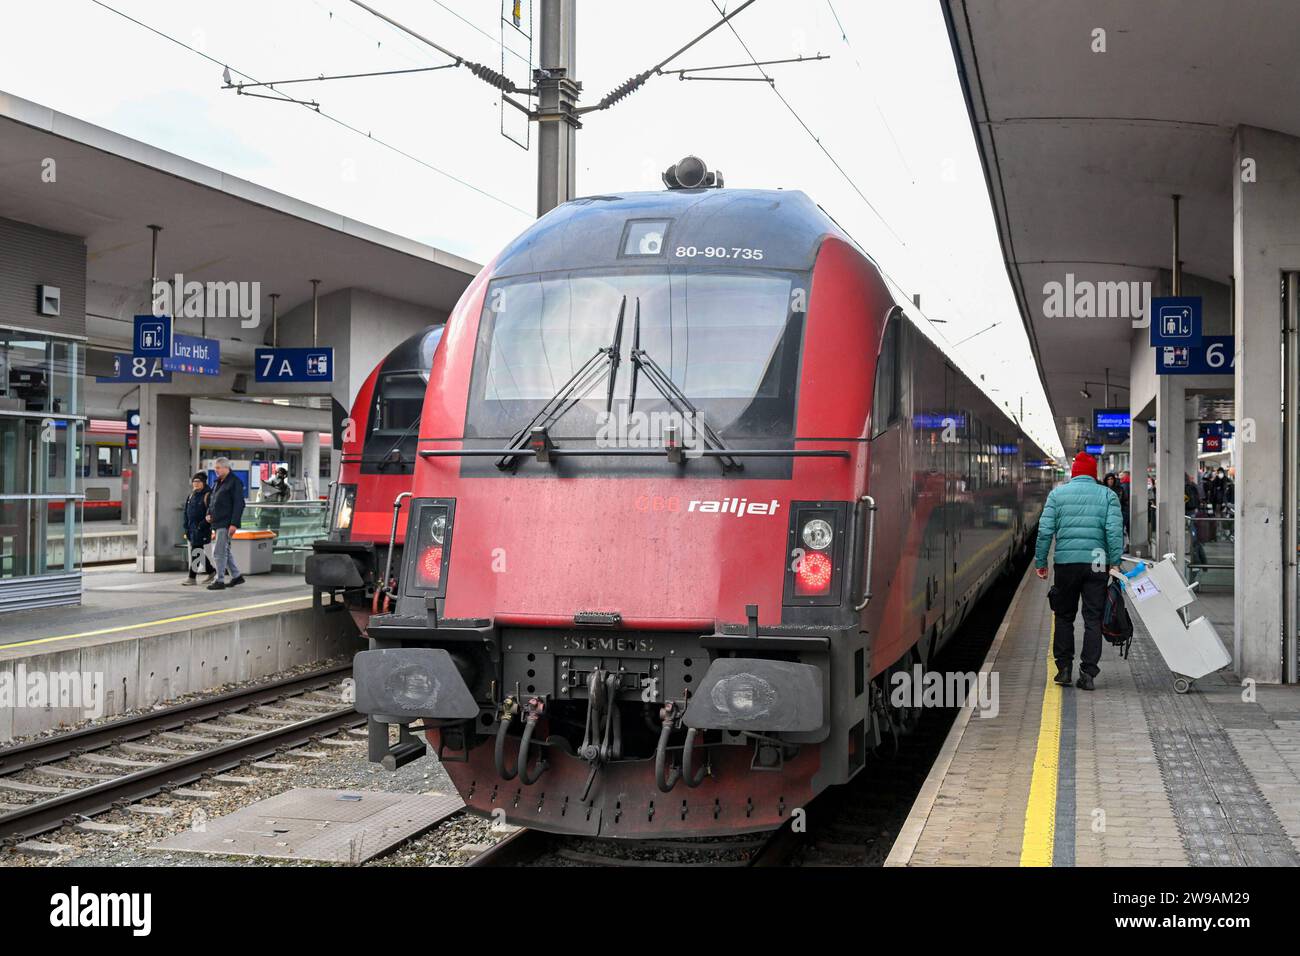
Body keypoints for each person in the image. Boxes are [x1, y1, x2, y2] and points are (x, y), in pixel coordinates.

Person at [1034, 451, 1124, 691]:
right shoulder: (1108, 495)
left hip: (1066, 563)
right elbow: (1114, 532)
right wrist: (1114, 562)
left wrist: (1040, 562)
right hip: (1097, 563)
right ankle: (1088, 673)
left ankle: (1063, 668)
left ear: (1073, 474)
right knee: (1092, 618)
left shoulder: (1057, 495)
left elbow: (1045, 532)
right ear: (1094, 474)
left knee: (1064, 616)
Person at [206, 457, 247, 590]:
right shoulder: (218, 482)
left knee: (218, 552)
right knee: (225, 550)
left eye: (218, 468)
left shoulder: (235, 483)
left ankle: (220, 580)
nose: (215, 470)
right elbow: (212, 499)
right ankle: (236, 576)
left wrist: (234, 524)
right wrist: (209, 513)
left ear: (226, 468)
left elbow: (239, 505)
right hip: (217, 521)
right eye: (215, 468)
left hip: (226, 522)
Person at [182, 472, 215, 586]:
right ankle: (211, 571)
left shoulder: (208, 495)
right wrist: (186, 527)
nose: (195, 484)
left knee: (196, 551)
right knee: (198, 551)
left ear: (203, 482)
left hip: (202, 528)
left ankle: (192, 577)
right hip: (191, 529)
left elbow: (211, 513)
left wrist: (201, 525)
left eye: (198, 482)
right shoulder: (191, 495)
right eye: (194, 482)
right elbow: (186, 512)